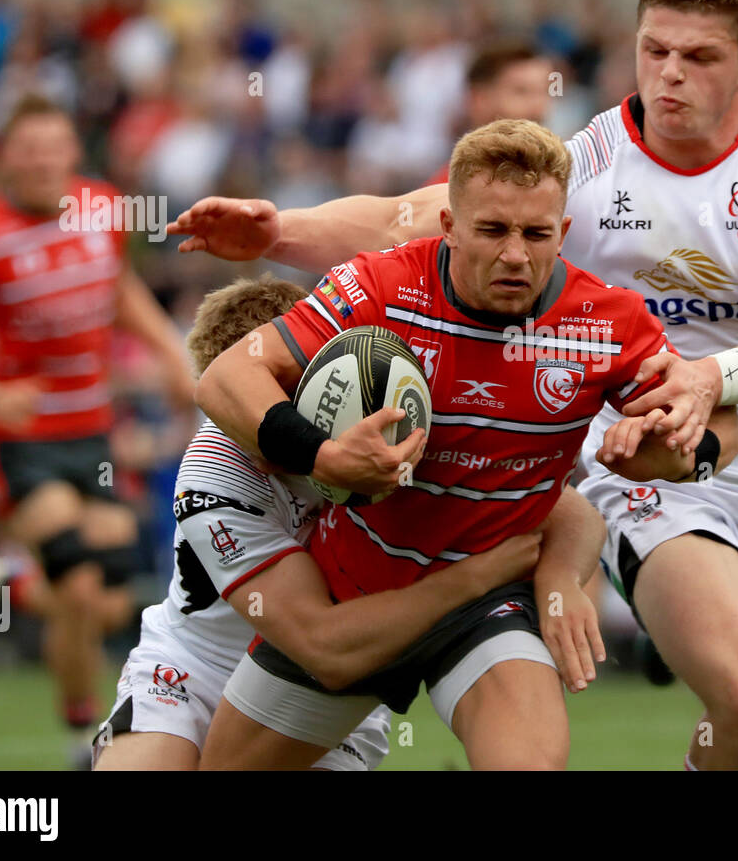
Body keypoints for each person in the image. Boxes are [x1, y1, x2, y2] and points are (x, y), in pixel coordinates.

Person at [169, 0, 738, 771]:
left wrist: (703, 378)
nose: (669, 74)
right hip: (648, 466)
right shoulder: (590, 162)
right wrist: (279, 231)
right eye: (655, 51)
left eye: (699, 57)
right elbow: (424, 213)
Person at [194, 119, 738, 770]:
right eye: (493, 230)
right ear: (448, 225)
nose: (516, 254)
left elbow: (724, 425)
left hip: (488, 604)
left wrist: (676, 449)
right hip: (357, 590)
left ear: (563, 234)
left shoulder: (607, 321)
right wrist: (322, 455)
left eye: (536, 234)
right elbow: (227, 375)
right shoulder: (380, 285)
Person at [95, 274, 556, 769]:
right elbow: (322, 642)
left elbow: (561, 502)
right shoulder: (213, 474)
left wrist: (565, 578)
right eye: (236, 411)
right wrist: (475, 577)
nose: (256, 427)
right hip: (195, 669)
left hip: (330, 691)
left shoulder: (392, 413)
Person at [0, 93, 194, 762]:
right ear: (6, 156)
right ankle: (80, 738)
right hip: (20, 436)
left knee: (109, 599)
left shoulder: (102, 207)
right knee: (76, 580)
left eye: (54, 146)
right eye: (27, 148)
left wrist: (169, 351)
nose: (42, 160)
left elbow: (118, 288)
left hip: (93, 432)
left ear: (74, 150)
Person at [421, 39, 553, 186]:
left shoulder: (567, 185)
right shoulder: (442, 195)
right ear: (479, 99)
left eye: (544, 92)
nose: (539, 108)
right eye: (521, 92)